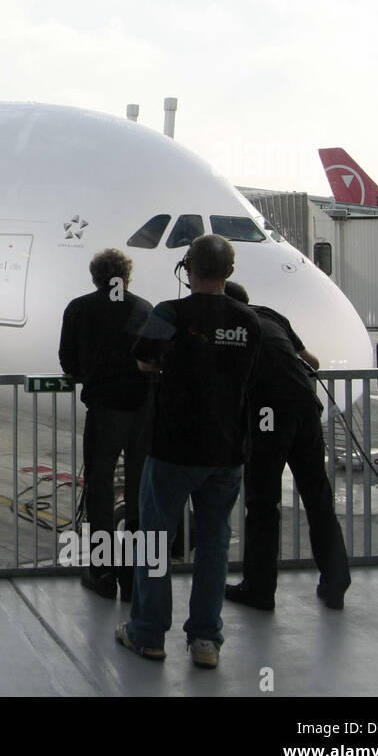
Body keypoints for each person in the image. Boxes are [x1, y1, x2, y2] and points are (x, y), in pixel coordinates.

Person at [115, 234, 261, 669]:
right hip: (226, 451)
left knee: (155, 542)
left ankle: (148, 634)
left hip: (173, 447)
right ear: (229, 271)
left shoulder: (170, 312)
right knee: (214, 545)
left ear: (188, 268)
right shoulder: (248, 320)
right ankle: (205, 641)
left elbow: (143, 359)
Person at [221, 281, 350, 611]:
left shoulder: (226, 324)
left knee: (263, 502)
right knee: (318, 497)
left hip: (266, 414)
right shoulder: (271, 315)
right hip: (305, 408)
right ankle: (335, 582)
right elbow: (312, 363)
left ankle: (259, 588)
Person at [58, 248, 154, 601]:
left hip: (104, 410)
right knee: (140, 492)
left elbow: (68, 361)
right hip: (142, 411)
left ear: (95, 277)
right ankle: (133, 578)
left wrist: (93, 374)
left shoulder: (79, 309)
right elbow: (156, 357)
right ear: (127, 277)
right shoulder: (145, 309)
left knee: (99, 490)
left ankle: (102, 572)